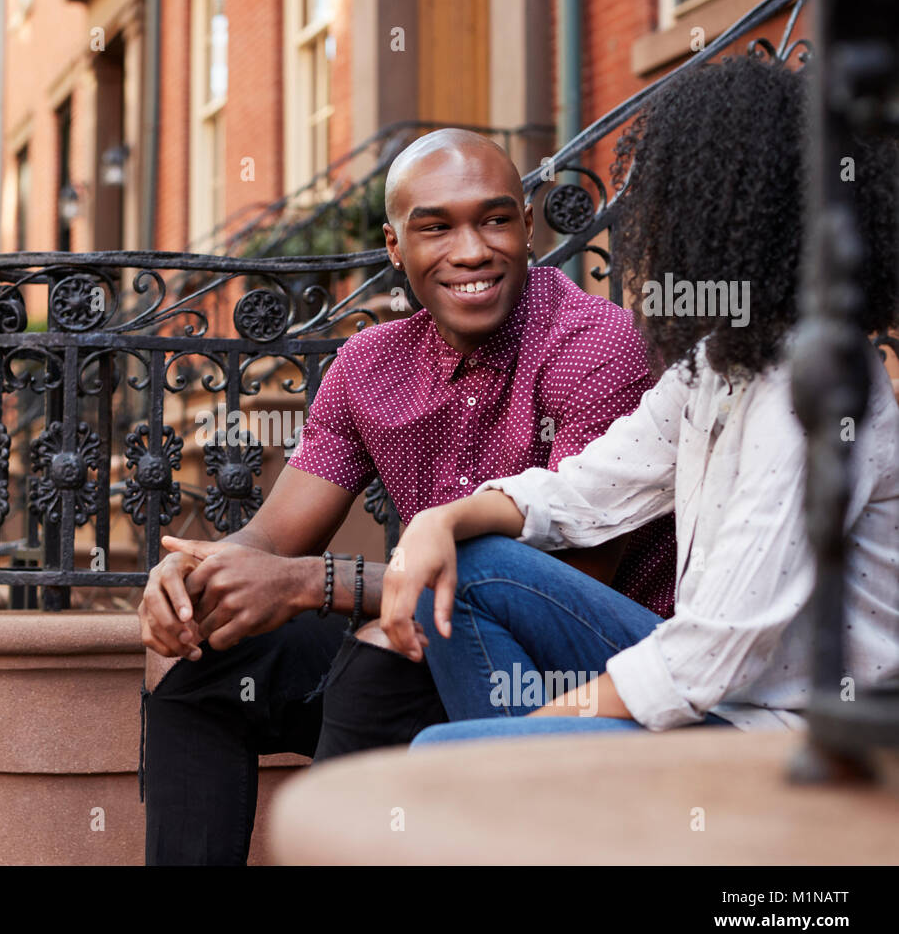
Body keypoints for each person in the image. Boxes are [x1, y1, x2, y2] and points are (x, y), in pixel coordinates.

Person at [139, 128, 677, 864]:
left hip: (578, 666)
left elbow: (555, 585)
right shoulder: (370, 363)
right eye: (436, 227)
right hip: (427, 630)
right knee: (196, 665)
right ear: (394, 247)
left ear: (526, 226)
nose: (471, 251)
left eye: (494, 219)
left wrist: (313, 584)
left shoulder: (590, 344)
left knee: (379, 662)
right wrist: (194, 575)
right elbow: (273, 536)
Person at [378, 55, 899, 745]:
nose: (661, 222)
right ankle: (525, 809)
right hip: (720, 697)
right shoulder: (717, 363)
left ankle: (519, 801)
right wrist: (438, 523)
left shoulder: (815, 386)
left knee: (441, 756)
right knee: (466, 562)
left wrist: (523, 740)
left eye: (677, 199)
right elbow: (586, 492)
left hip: (788, 733)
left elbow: (711, 653)